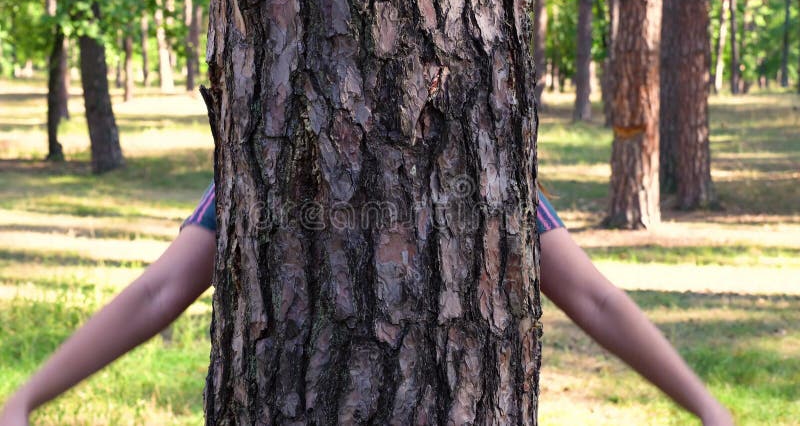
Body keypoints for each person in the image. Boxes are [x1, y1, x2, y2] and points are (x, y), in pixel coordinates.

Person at [0, 183, 734, 425]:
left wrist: (707, 409)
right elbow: (160, 290)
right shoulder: (267, 164)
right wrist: (26, 396)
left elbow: (596, 299)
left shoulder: (486, 175)